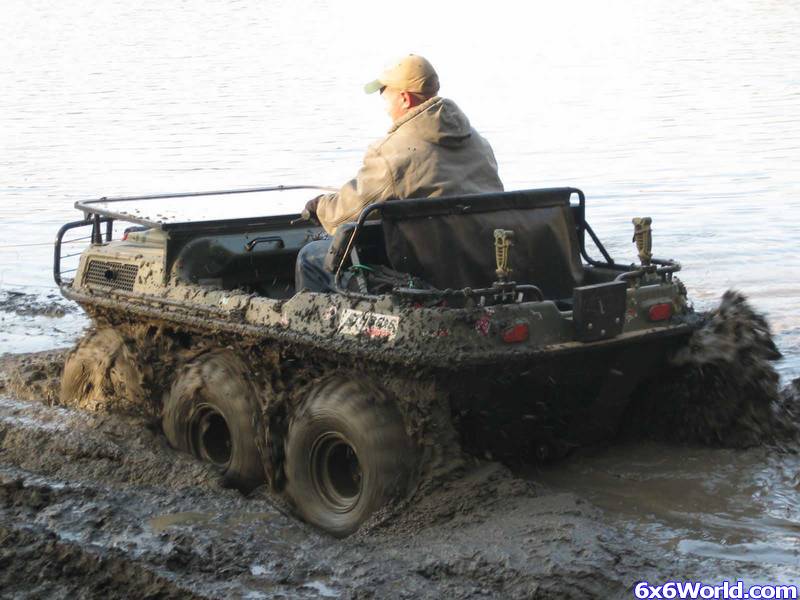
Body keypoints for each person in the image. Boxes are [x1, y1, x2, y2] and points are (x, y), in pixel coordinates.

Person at [295, 54, 504, 292]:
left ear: (404, 99)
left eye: (385, 97)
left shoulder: (392, 154)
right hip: (477, 267)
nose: (385, 108)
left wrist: (319, 206)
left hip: (424, 276)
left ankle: (319, 326)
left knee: (311, 256)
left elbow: (343, 217)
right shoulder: (479, 144)